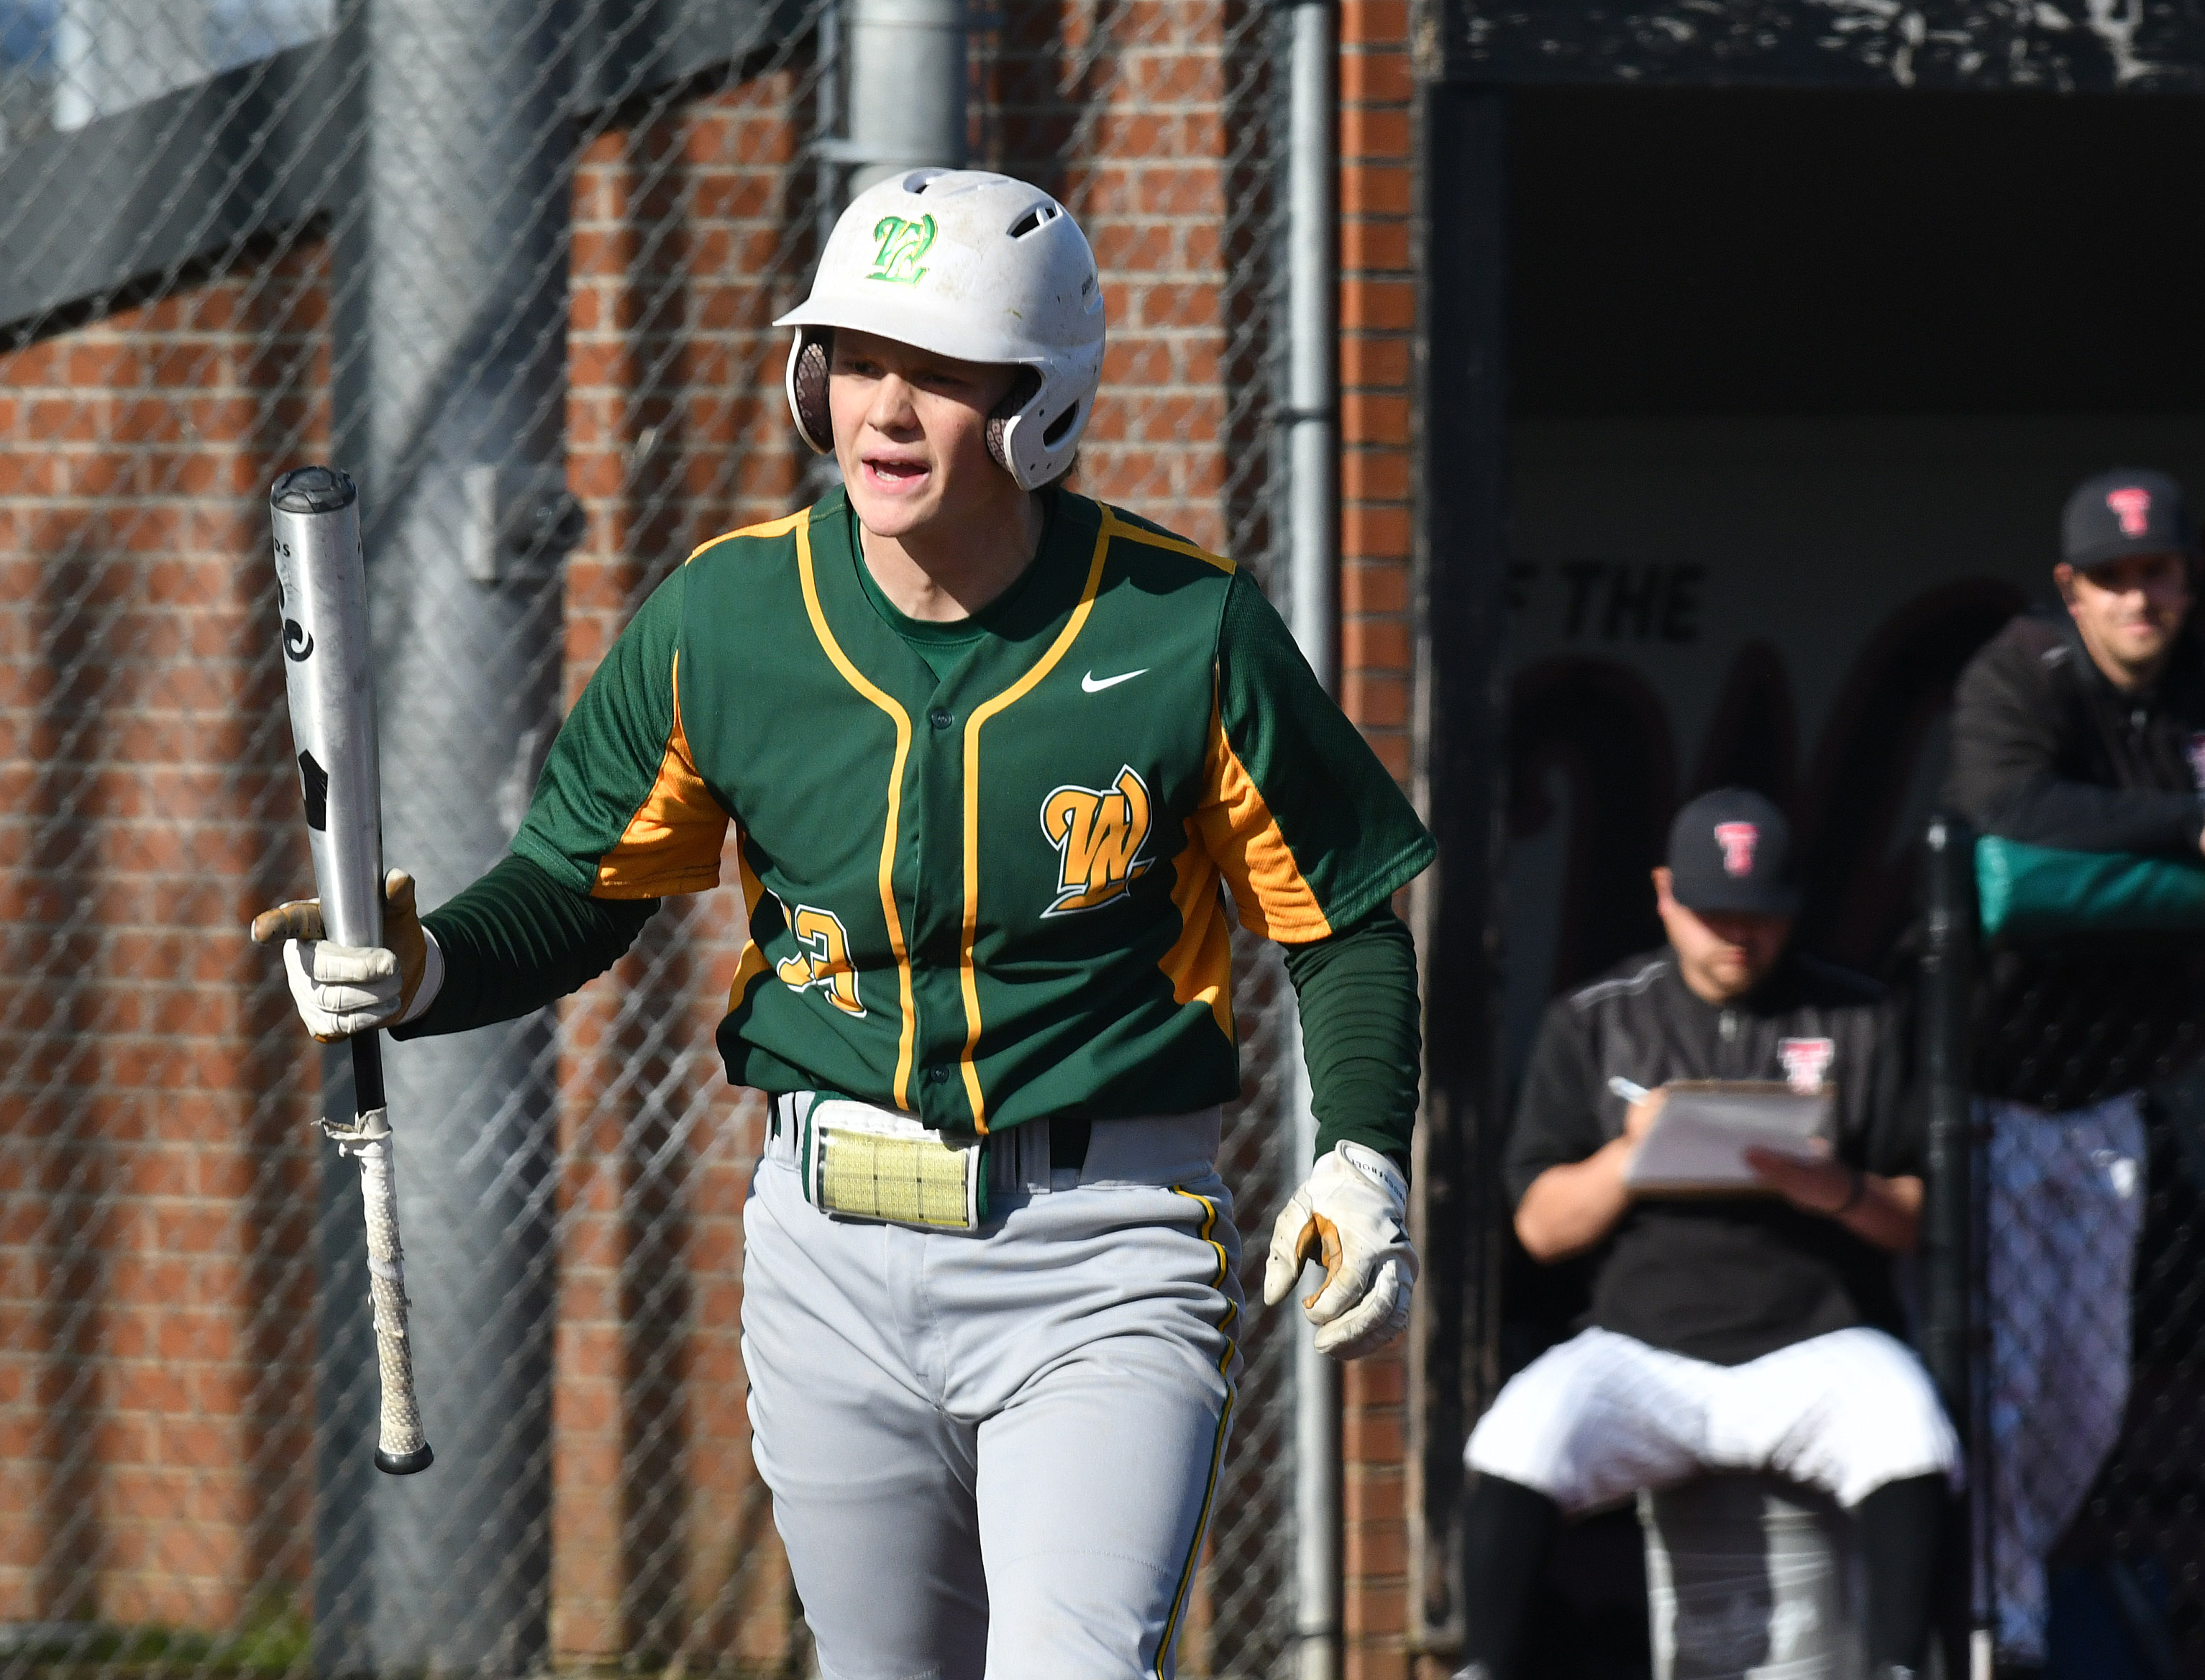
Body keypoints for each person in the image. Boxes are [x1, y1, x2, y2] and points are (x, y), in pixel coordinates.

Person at [248, 168, 1436, 1679]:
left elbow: (1337, 920)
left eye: (938, 370)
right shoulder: (724, 618)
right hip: (827, 1252)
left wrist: (1359, 1151)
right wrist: (420, 970)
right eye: (854, 358)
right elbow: (579, 885)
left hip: (1103, 1247)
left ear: (1038, 397)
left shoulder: (1180, 626)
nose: (883, 406)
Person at [1943, 466, 2205, 1674]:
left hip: (2110, 1094)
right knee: (2004, 1386)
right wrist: (2195, 826)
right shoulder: (2017, 671)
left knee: (2087, 1396)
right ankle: (1997, 1627)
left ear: (2188, 581)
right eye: (2116, 577)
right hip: (1984, 1088)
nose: (2142, 598)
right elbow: (2007, 806)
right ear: (2072, 587)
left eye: (2161, 573)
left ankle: (2006, 1594)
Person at [1458, 789, 1958, 1680]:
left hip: (1814, 1339)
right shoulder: (1600, 1016)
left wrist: (1834, 1187)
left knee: (1912, 1431)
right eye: (1712, 911)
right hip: (1645, 1348)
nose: (1737, 934)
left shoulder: (1858, 1014)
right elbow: (1539, 1227)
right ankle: (1486, 1668)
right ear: (1664, 893)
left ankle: (1898, 1667)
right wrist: (1631, 1153)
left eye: (1757, 914)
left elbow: (1918, 1218)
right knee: (1516, 1437)